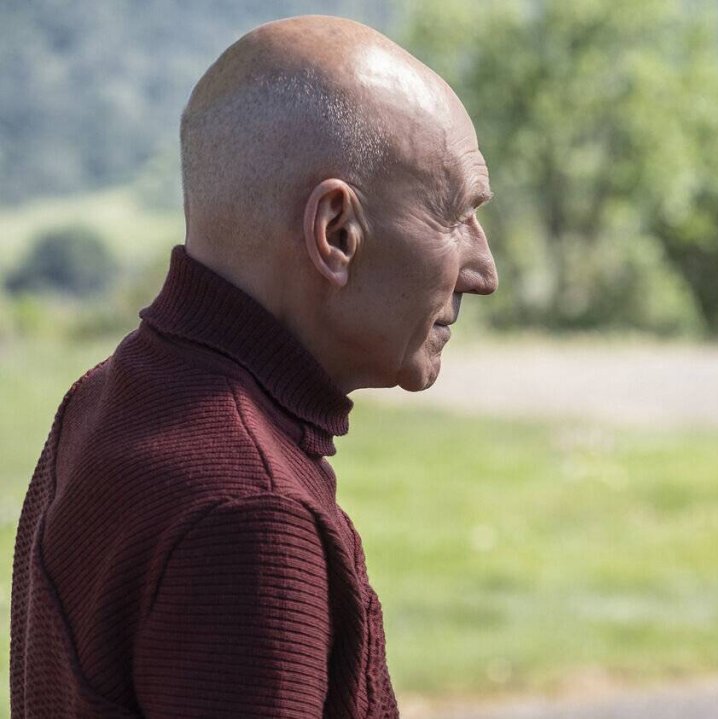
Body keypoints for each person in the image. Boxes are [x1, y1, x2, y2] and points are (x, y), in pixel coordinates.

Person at [10, 15, 497, 716]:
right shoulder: (251, 513)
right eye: (454, 216)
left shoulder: (105, 397)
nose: (484, 272)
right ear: (336, 233)